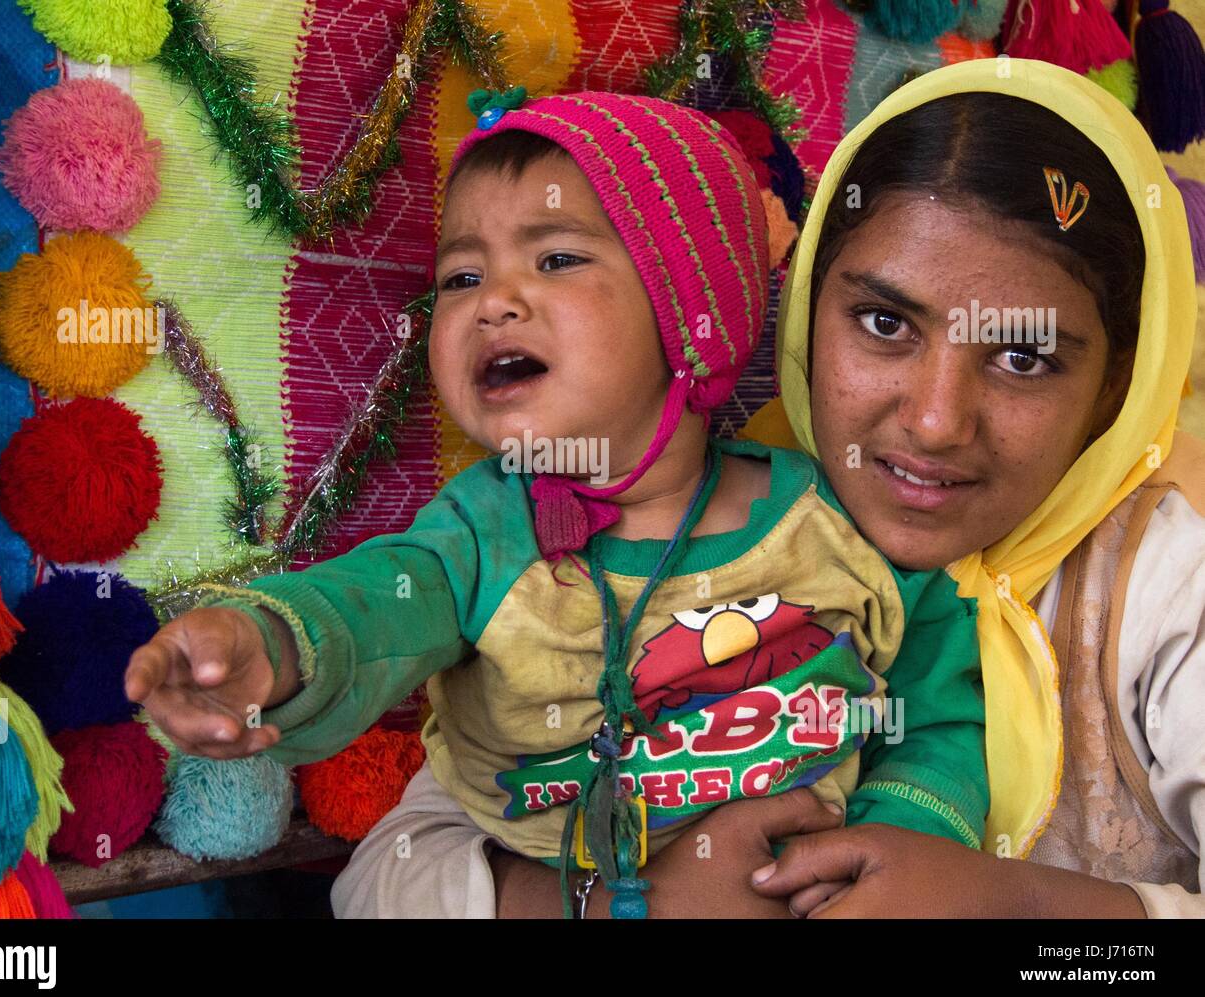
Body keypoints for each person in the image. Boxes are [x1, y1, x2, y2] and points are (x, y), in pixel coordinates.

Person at [124, 88, 990, 919]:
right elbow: (371, 610)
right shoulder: (480, 536)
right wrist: (268, 644)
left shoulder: (834, 525)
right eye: (461, 277)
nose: (493, 301)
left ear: (695, 315)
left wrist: (886, 857)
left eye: (557, 258)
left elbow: (938, 717)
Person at [737, 56, 1203, 918]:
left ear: (1115, 387)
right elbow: (416, 854)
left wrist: (1018, 913)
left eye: (1023, 358)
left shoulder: (1168, 584)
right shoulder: (708, 512)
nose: (936, 423)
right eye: (885, 324)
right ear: (806, 311)